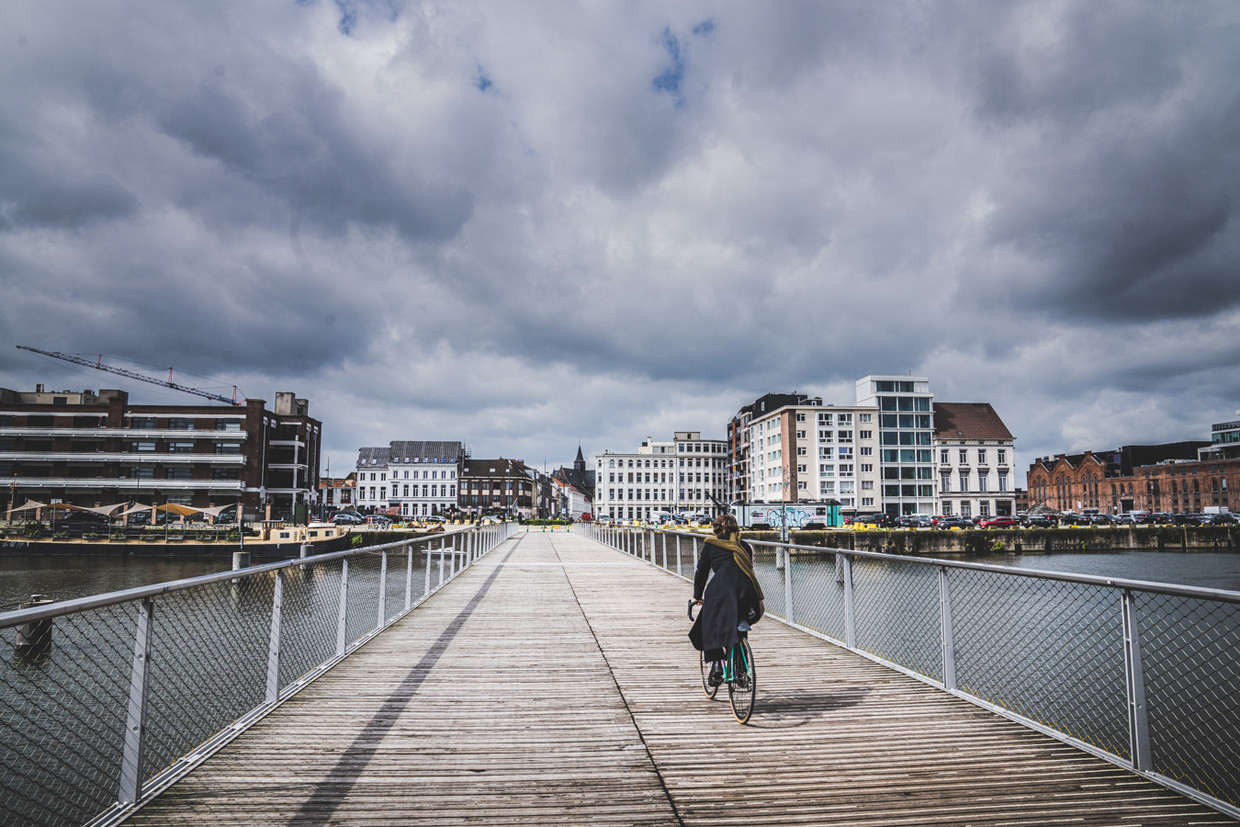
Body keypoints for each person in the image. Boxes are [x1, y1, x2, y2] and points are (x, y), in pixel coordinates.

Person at [689, 513, 765, 686]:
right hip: (746, 590)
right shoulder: (744, 546)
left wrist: (698, 595)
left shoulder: (711, 544)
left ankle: (716, 662)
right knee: (740, 621)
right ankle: (741, 670)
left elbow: (702, 572)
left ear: (716, 529)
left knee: (707, 623)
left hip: (720, 590)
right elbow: (750, 570)